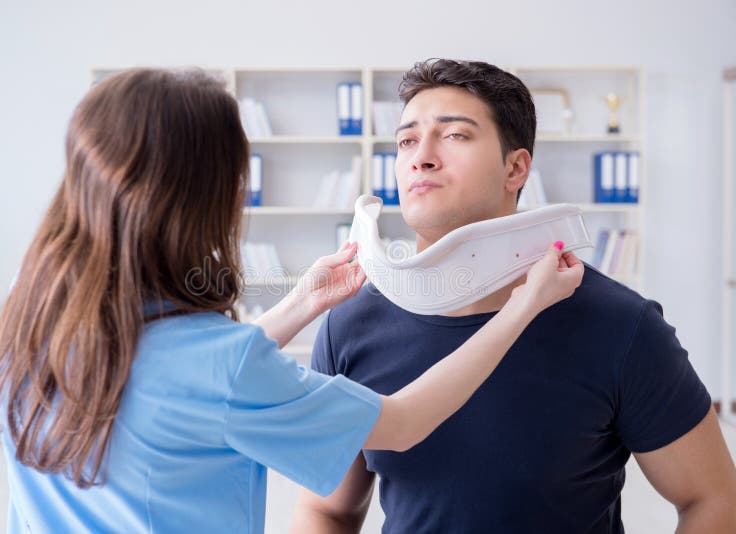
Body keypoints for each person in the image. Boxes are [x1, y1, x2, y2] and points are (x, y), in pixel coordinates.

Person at [0, 68, 582, 533]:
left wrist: (300, 303)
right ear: (199, 199)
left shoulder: (37, 314)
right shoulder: (221, 362)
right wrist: (519, 311)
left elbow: (171, 387)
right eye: (237, 178)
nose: (421, 157)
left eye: (452, 135)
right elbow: (400, 424)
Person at [292, 59, 736, 533]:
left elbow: (712, 498)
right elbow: (326, 509)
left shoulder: (621, 325)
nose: (421, 156)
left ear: (516, 168)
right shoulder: (351, 326)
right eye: (406, 140)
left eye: (455, 135)